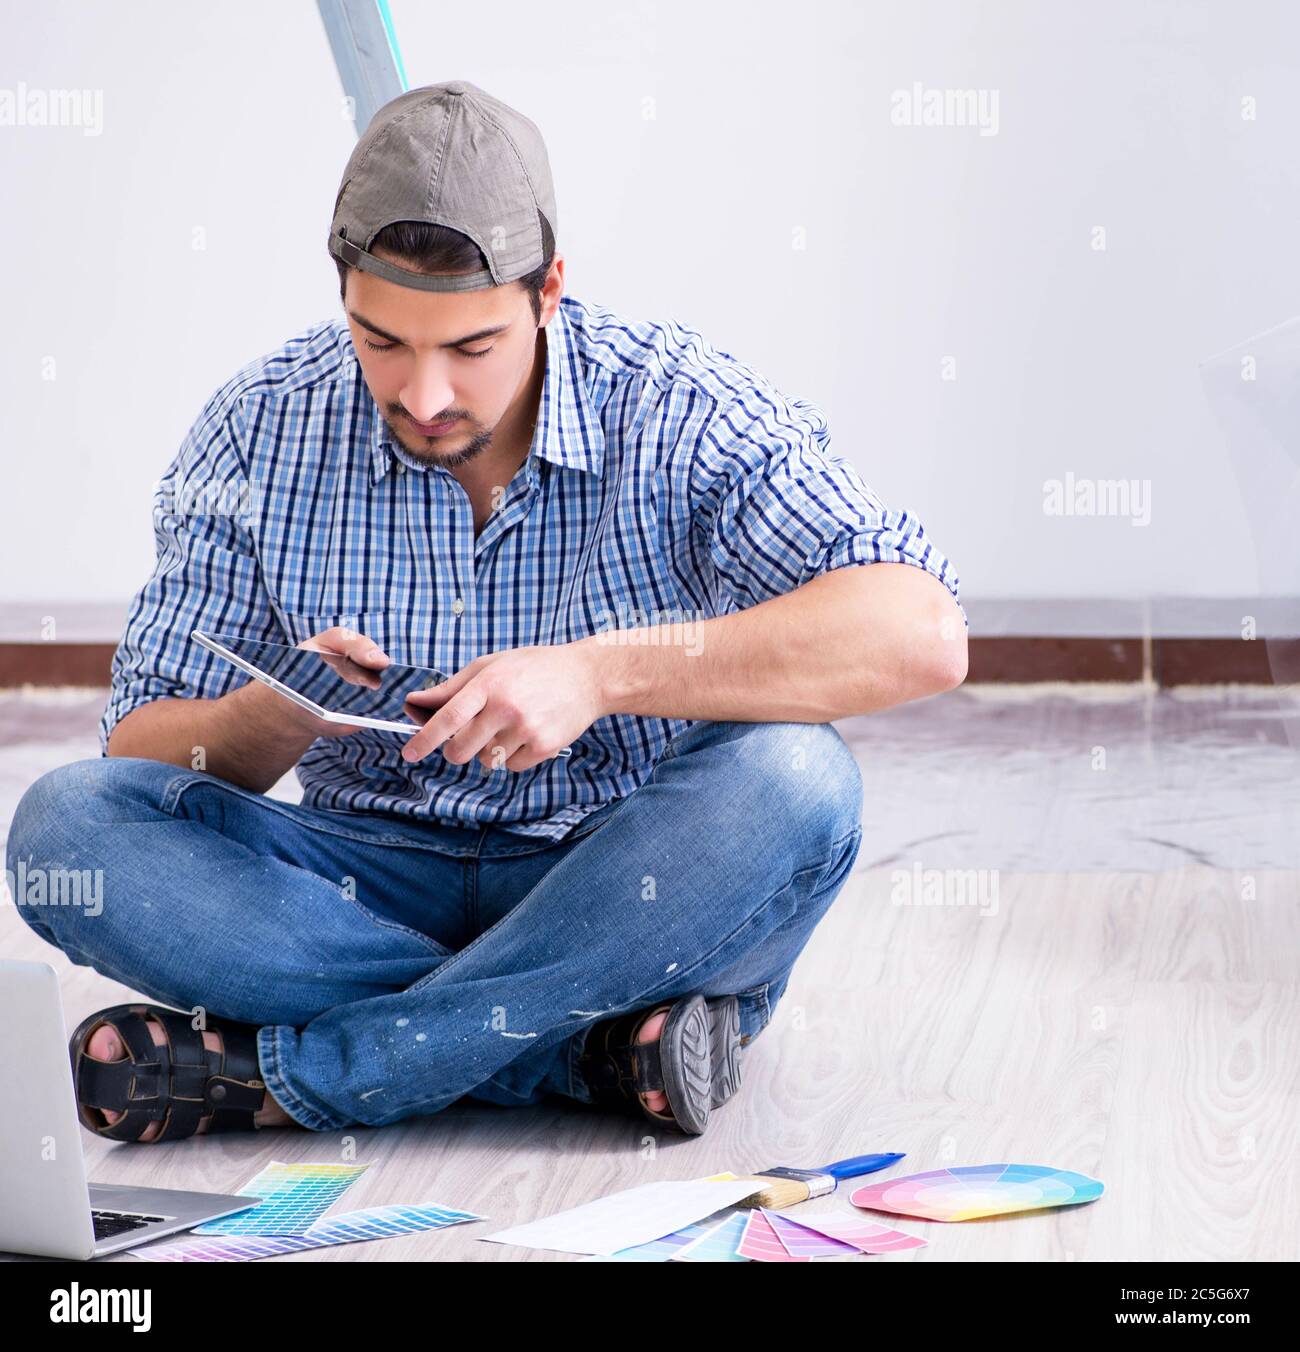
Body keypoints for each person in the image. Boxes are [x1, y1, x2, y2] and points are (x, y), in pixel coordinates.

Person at [8, 80, 967, 1143]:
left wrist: (599, 674)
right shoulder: (258, 425)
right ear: (342, 296)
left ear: (548, 291)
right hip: (354, 891)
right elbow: (139, 749)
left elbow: (918, 629)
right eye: (382, 342)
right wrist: (273, 716)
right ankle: (573, 1048)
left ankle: (322, 1067)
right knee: (71, 826)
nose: (423, 396)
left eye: (469, 349)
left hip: (623, 877)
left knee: (795, 781)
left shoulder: (676, 402)